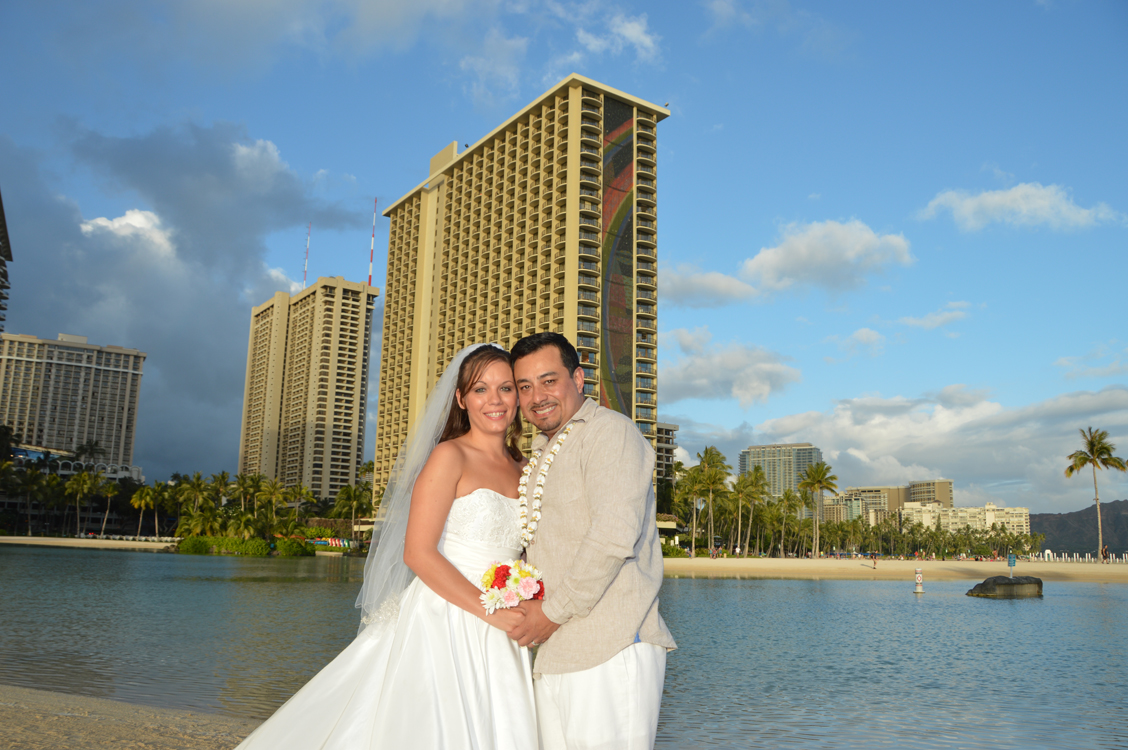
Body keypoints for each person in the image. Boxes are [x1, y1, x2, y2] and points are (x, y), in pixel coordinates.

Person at [234, 344, 537, 750]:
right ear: (462, 399)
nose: (495, 400)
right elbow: (418, 552)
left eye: (505, 388)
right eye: (480, 389)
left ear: (518, 395)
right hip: (448, 616)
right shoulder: (450, 456)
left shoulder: (526, 467)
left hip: (506, 620)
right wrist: (491, 611)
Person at [507, 332, 676, 750]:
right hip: (557, 652)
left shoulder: (610, 433)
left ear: (578, 378)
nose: (536, 396)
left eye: (549, 380)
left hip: (611, 646)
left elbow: (613, 536)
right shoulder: (546, 447)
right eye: (525, 386)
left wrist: (551, 612)